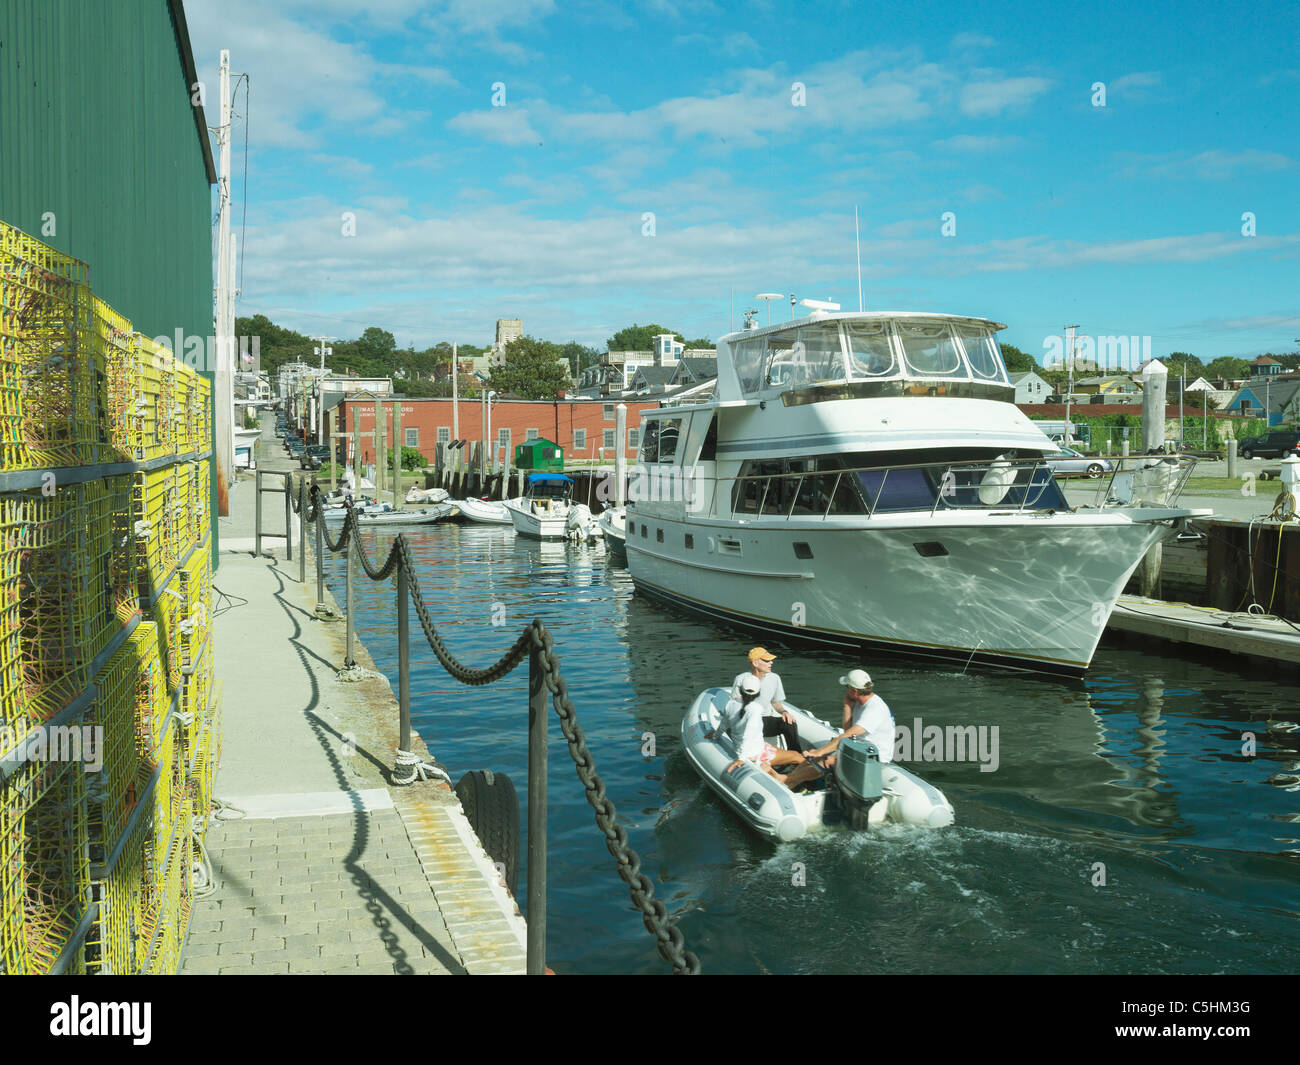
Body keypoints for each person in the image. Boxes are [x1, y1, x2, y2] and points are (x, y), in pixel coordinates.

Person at [782, 669, 894, 790]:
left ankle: (786, 781)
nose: (845, 690)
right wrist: (847, 706)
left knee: (827, 760)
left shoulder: (875, 708)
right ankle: (789, 779)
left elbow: (848, 735)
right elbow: (848, 730)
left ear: (854, 691)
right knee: (816, 755)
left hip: (874, 758)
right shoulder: (858, 702)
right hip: (858, 749)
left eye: (847, 687)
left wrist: (820, 752)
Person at [707, 675, 806, 781]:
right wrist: (742, 758)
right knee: (797, 756)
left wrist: (714, 735)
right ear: (758, 693)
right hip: (755, 754)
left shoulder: (730, 704)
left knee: (778, 750)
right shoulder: (756, 709)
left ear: (740, 690)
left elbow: (723, 725)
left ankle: (776, 771)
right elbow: (748, 734)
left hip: (753, 748)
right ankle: (801, 779)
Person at [731, 647, 803, 753]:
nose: (771, 662)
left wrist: (784, 712)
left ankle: (796, 755)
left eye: (770, 660)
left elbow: (775, 702)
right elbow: (736, 706)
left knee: (789, 723)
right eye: (767, 660)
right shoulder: (741, 679)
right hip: (749, 722)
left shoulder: (775, 678)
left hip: (766, 720)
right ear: (755, 663)